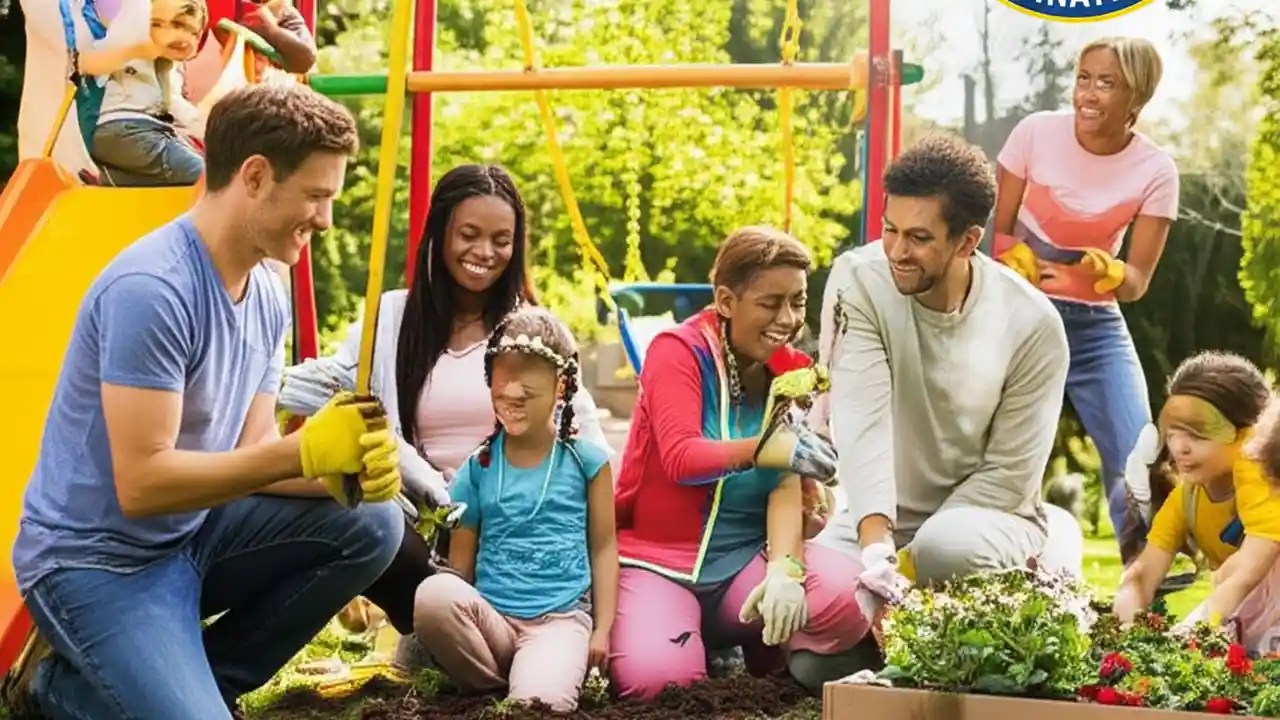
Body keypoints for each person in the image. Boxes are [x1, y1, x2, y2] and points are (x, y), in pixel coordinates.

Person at [11, 83, 406, 720]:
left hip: (193, 536)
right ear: (255, 176)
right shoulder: (153, 289)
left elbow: (251, 451)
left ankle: (192, 687)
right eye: (316, 195)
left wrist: (343, 471)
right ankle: (58, 692)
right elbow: (142, 483)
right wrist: (301, 451)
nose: (326, 219)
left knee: (372, 525)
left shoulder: (268, 292)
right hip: (96, 565)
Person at [276, 164, 611, 653]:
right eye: (469, 235)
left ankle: (492, 636)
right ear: (439, 234)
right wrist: (253, 389)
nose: (485, 253)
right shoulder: (391, 318)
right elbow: (318, 385)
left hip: (510, 529)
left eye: (502, 239)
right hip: (425, 527)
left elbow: (582, 431)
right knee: (357, 509)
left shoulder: (529, 330)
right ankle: (435, 627)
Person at [814, 132, 1082, 596]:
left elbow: (1008, 475)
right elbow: (862, 421)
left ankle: (1054, 543)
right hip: (886, 519)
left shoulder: (1033, 323)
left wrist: (909, 567)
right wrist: (878, 553)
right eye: (890, 229)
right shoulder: (858, 280)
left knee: (943, 550)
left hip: (989, 520)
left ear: (967, 241)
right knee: (815, 631)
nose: (897, 252)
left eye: (919, 238)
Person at [607, 225, 868, 700]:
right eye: (771, 303)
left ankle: (765, 645)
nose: (787, 318)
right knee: (660, 687)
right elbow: (682, 457)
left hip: (745, 569)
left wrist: (786, 569)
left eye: (797, 301)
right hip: (660, 564)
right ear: (726, 301)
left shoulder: (791, 372)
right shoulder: (677, 352)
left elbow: (784, 486)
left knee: (848, 595)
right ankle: (694, 642)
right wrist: (765, 447)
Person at [991, 36, 1180, 563]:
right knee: (995, 447)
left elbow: (1138, 280)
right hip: (1019, 315)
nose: (1088, 94)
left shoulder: (1157, 170)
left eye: (1106, 83)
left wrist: (1114, 272)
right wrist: (1016, 261)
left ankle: (1145, 579)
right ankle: (987, 565)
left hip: (1095, 324)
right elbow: (997, 234)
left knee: (1139, 452)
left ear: (1136, 99)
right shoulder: (1035, 133)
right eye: (1083, 78)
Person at [412, 306, 617, 713]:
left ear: (560, 388)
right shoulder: (480, 467)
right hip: (494, 624)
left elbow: (605, 548)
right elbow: (461, 572)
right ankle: (500, 682)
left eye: (528, 395)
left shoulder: (587, 463)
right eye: (502, 393)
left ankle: (532, 680)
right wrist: (448, 627)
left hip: (557, 622)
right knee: (434, 594)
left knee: (538, 707)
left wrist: (604, 630)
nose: (512, 402)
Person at [1114, 352, 1280, 656]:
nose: (1179, 448)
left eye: (1196, 434)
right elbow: (1142, 575)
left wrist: (1192, 636)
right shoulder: (1188, 496)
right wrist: (1125, 625)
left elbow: (1246, 573)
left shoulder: (1255, 472)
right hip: (1247, 619)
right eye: (1174, 433)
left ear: (1245, 434)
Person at [90, 0, 208, 186]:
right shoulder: (132, 43)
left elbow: (175, 106)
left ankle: (115, 179)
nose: (184, 37)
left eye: (193, 33)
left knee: (194, 157)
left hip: (139, 133)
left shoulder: (169, 68)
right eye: (176, 25)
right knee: (207, 176)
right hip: (126, 128)